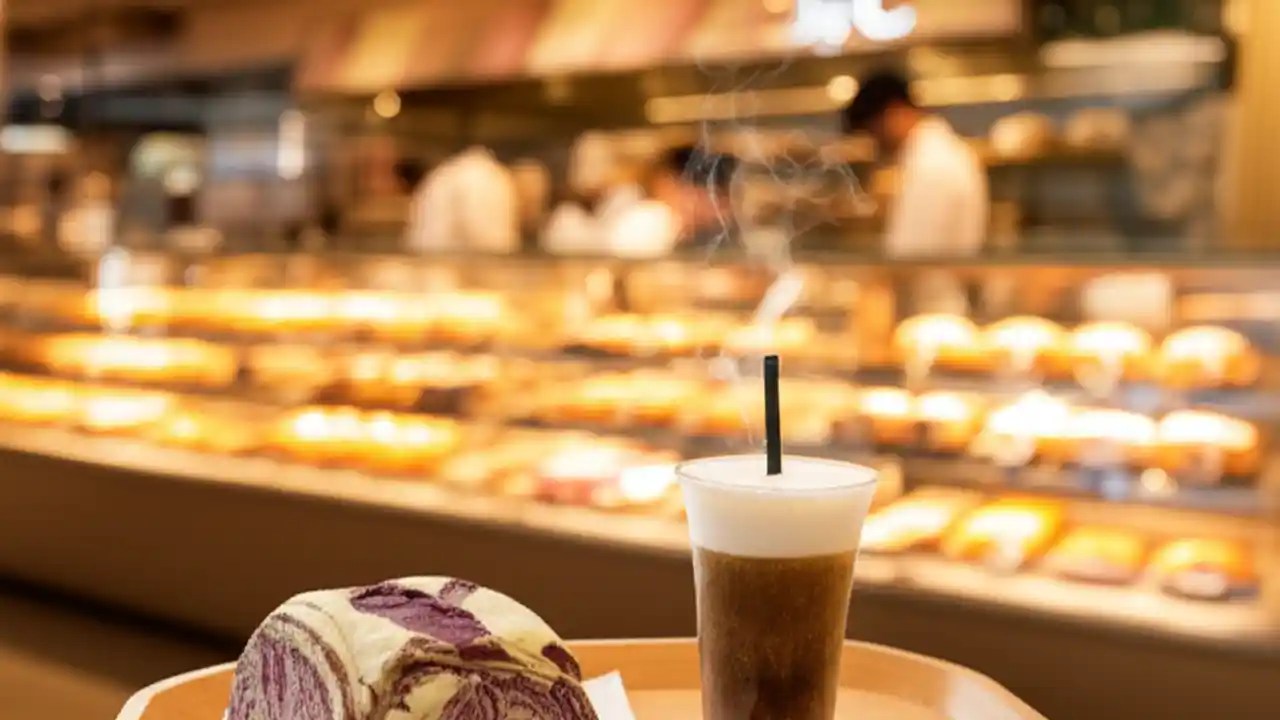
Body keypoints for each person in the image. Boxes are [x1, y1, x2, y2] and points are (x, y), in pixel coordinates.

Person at [841, 70, 988, 258]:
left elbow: (911, 254)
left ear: (893, 113)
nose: (876, 143)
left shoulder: (933, 164)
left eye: (873, 131)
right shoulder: (940, 153)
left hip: (934, 286)